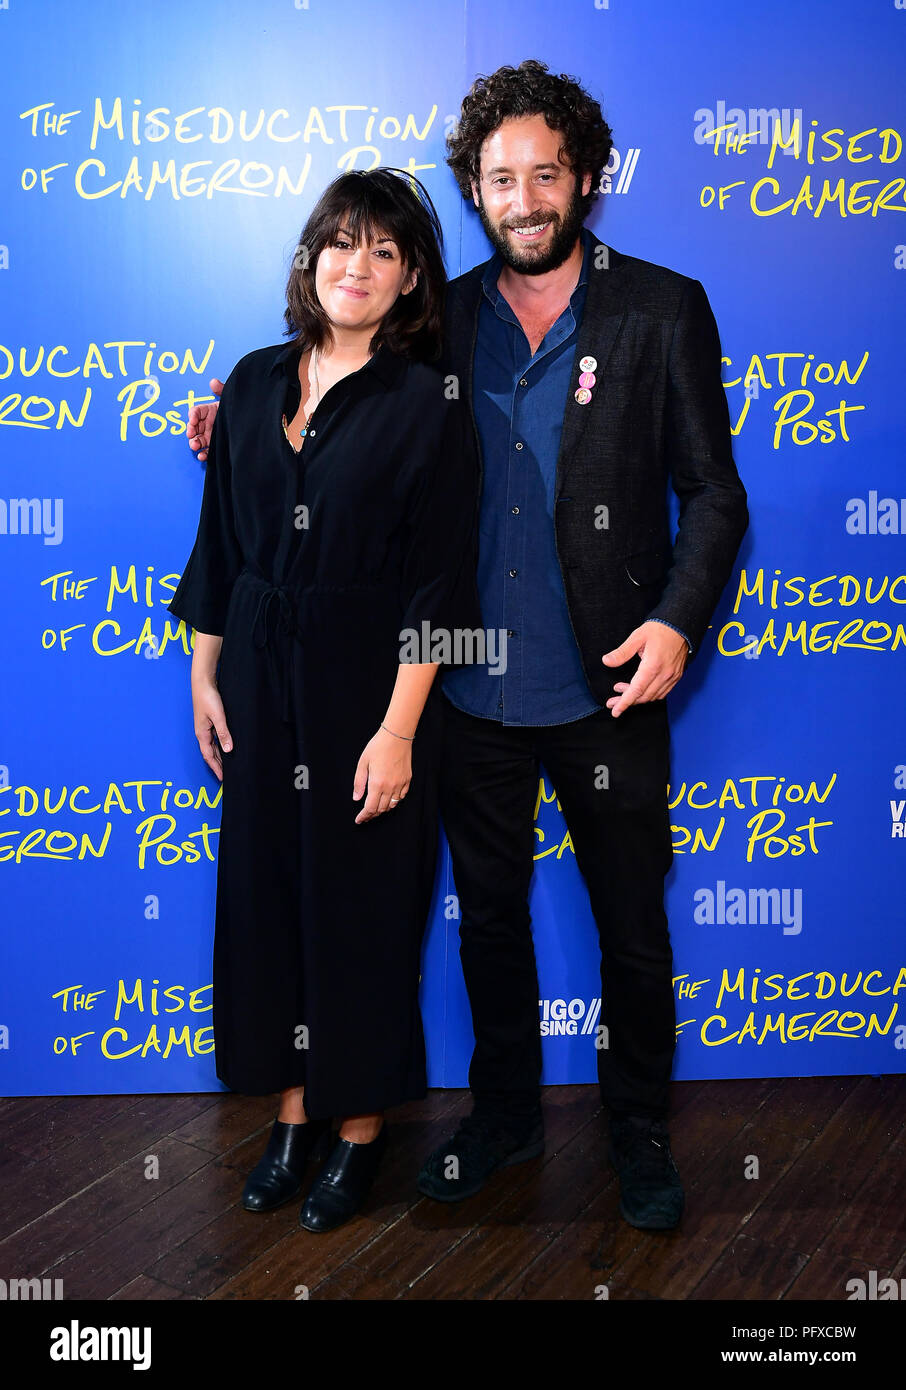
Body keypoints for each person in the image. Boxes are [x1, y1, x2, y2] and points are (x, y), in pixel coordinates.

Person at [188, 60, 749, 1233]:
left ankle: (638, 1132)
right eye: (502, 177)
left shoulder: (662, 307)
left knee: (632, 924)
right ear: (478, 192)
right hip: (468, 685)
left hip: (610, 682)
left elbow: (715, 493)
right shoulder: (440, 319)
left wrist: (675, 620)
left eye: (546, 172)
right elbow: (334, 408)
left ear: (586, 179)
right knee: (487, 921)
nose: (526, 195)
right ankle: (501, 1118)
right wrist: (230, 421)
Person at [168, 168, 481, 1234]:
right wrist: (204, 674)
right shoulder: (252, 381)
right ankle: (294, 1118)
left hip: (370, 683)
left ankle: (357, 1132)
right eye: (341, 243)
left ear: (410, 282)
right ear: (312, 258)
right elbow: (219, 546)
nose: (358, 265)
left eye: (385, 252)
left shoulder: (430, 402)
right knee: (267, 906)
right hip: (257, 671)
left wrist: (398, 731)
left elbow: (445, 589)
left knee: (361, 912)